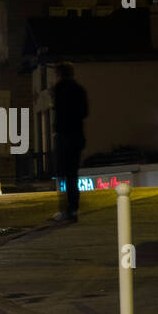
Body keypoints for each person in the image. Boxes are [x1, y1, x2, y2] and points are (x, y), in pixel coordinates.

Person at [51, 62, 89, 223]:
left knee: (62, 174)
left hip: (64, 135)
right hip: (77, 135)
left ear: (59, 74)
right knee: (73, 174)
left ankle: (65, 209)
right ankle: (73, 209)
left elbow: (59, 112)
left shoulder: (58, 89)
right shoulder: (80, 89)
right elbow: (85, 112)